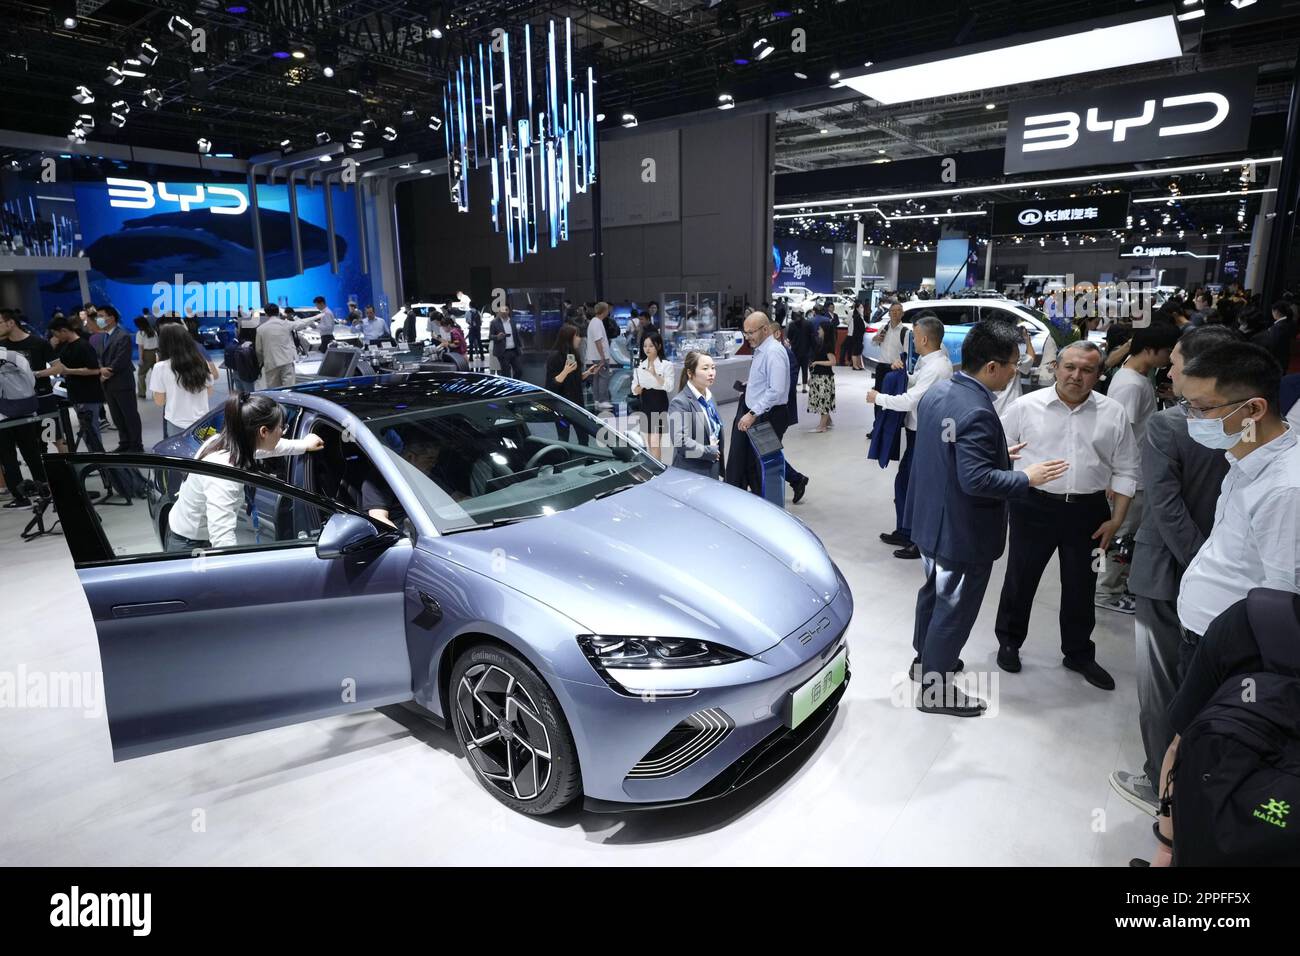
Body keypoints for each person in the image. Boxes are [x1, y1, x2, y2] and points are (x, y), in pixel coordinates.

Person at [904, 320, 1070, 716]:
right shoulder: (977, 409)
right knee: (954, 608)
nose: (1018, 370)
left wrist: (999, 454)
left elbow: (948, 454)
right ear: (992, 366)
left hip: (931, 521)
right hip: (962, 531)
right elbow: (975, 480)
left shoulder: (940, 392)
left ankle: (924, 663)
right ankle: (935, 691)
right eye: (1013, 363)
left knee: (933, 594)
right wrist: (1024, 476)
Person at [1109, 325, 1239, 815]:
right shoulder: (1253, 425)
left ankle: (1157, 783)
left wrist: (1197, 565)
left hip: (1171, 571)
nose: (1171, 368)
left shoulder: (1172, 425)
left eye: (1178, 361)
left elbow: (1165, 508)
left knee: (1163, 685)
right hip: (1224, 577)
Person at [995, 340, 1140, 691]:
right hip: (1033, 506)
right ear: (1056, 367)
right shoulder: (1024, 407)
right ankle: (1010, 642)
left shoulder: (1113, 413)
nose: (1077, 375)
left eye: (1087, 369)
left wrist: (1116, 519)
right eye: (1070, 367)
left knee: (1082, 583)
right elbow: (996, 451)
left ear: (1098, 374)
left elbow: (1126, 469)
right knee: (1021, 576)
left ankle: (1078, 652)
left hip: (1090, 514)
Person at [1175, 341, 1300, 666]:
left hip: (1235, 654)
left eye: (1202, 408)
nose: (1191, 417)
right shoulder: (1245, 458)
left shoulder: (1286, 489)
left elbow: (1282, 600)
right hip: (1207, 635)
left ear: (1254, 410)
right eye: (1186, 404)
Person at [1094, 321, 1181, 613]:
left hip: (1138, 473)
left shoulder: (1140, 377)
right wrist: (1115, 479)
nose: (1170, 358)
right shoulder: (1130, 384)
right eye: (1168, 351)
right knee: (1120, 535)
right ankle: (1105, 592)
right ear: (1150, 350)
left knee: (1127, 535)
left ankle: (1115, 585)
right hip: (1130, 478)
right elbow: (1119, 436)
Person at [165, 393, 324, 551]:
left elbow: (267, 449)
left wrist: (303, 445)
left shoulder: (228, 442)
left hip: (191, 533)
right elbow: (222, 539)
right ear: (263, 432)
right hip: (189, 545)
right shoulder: (224, 473)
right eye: (282, 427)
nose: (283, 432)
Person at [869, 314, 953, 558]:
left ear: (924, 338)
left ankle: (919, 539)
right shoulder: (931, 362)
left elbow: (911, 400)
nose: (913, 341)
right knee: (905, 482)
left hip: (927, 435)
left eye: (915, 337)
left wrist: (878, 398)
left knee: (919, 488)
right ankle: (906, 530)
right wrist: (903, 375)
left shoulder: (937, 367)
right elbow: (916, 384)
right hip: (918, 431)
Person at [736, 311, 809, 503]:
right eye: (745, 332)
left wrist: (752, 413)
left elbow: (775, 390)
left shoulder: (773, 352)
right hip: (763, 413)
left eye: (751, 332)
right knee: (762, 459)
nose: (747, 337)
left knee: (766, 463)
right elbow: (766, 382)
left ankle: (772, 503)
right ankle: (770, 496)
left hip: (769, 416)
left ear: (766, 329)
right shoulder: (762, 350)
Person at [45, 314, 106, 453]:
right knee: (85, 429)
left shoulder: (83, 345)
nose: (56, 338)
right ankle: (95, 458)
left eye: (56, 334)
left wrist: (69, 371)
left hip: (88, 393)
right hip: (76, 393)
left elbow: (94, 370)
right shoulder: (65, 346)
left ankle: (99, 460)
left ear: (64, 331)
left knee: (92, 430)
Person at [150, 323, 218, 437]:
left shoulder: (160, 367)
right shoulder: (202, 362)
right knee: (202, 452)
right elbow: (209, 393)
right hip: (203, 422)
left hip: (176, 424)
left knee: (178, 454)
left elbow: (159, 401)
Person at [94, 306, 144, 452]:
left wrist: (105, 373)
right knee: (117, 415)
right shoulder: (104, 336)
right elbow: (99, 357)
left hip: (121, 381)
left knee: (129, 415)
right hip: (109, 384)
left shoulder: (123, 335)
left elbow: (121, 360)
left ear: (112, 318)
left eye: (101, 315)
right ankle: (124, 442)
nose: (99, 319)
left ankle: (136, 445)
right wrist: (100, 370)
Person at [668, 350, 724, 478]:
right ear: (690, 373)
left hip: (711, 467)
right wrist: (709, 452)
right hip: (692, 473)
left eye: (713, 368)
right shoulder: (680, 402)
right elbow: (680, 441)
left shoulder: (709, 397)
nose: (711, 373)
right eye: (705, 368)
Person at [544, 324, 597, 423]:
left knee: (583, 433)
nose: (579, 339)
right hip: (562, 402)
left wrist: (588, 373)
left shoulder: (573, 354)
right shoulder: (555, 357)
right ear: (568, 338)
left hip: (577, 400)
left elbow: (574, 379)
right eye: (576, 336)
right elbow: (551, 385)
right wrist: (565, 371)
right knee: (563, 433)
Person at [631, 331, 670, 462]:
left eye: (651, 346)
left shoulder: (666, 365)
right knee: (649, 441)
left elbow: (669, 386)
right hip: (646, 402)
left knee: (654, 441)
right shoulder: (639, 365)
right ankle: (654, 466)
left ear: (658, 346)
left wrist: (655, 375)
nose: (647, 349)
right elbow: (634, 388)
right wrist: (637, 389)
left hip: (659, 402)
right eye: (645, 346)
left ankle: (657, 470)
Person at [255, 304, 315, 388]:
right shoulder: (286, 324)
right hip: (287, 361)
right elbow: (301, 323)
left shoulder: (260, 329)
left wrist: (260, 363)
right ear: (278, 312)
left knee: (274, 390)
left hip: (270, 363)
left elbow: (259, 349)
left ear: (266, 314)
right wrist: (317, 316)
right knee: (289, 388)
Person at [806, 314, 838, 433]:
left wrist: (817, 362)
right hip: (819, 376)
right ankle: (827, 421)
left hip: (824, 377)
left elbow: (833, 362)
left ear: (825, 330)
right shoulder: (821, 344)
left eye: (819, 329)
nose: (818, 330)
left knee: (823, 401)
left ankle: (822, 426)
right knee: (822, 400)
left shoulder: (828, 346)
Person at [1253, 300, 1296, 372]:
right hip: (1284, 359)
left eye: (1272, 311)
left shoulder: (1279, 327)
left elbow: (1273, 346)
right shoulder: (1290, 323)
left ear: (1276, 311)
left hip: (1275, 362)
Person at [584, 302, 612, 409]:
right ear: (604, 311)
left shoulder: (595, 322)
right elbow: (598, 341)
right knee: (604, 377)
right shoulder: (596, 323)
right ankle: (603, 400)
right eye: (607, 309)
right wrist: (602, 357)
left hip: (595, 356)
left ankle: (597, 399)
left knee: (597, 378)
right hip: (599, 356)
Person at [489, 306, 523, 379]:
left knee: (519, 370)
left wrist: (520, 346)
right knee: (506, 373)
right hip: (503, 352)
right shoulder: (494, 322)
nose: (504, 312)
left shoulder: (513, 321)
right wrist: (497, 337)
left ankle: (514, 384)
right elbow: (490, 336)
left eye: (506, 310)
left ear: (509, 311)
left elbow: (516, 335)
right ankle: (510, 387)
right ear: (499, 312)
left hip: (514, 351)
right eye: (502, 311)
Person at [787, 309, 812, 392]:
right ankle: (804, 387)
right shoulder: (808, 324)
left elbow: (789, 337)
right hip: (806, 350)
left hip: (795, 350)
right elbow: (810, 337)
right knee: (805, 369)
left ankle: (794, 387)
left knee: (795, 370)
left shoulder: (791, 325)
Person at [134, 315, 158, 399]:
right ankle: (158, 393)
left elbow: (141, 347)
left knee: (141, 374)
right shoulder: (154, 331)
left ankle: (141, 393)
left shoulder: (140, 333)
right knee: (157, 375)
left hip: (147, 354)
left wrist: (140, 359)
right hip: (156, 353)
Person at [848, 301, 867, 371]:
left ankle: (859, 364)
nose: (863, 309)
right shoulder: (856, 316)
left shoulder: (860, 316)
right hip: (857, 336)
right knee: (855, 351)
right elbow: (860, 327)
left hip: (860, 336)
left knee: (859, 350)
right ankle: (855, 365)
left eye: (862, 307)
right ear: (857, 308)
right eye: (861, 307)